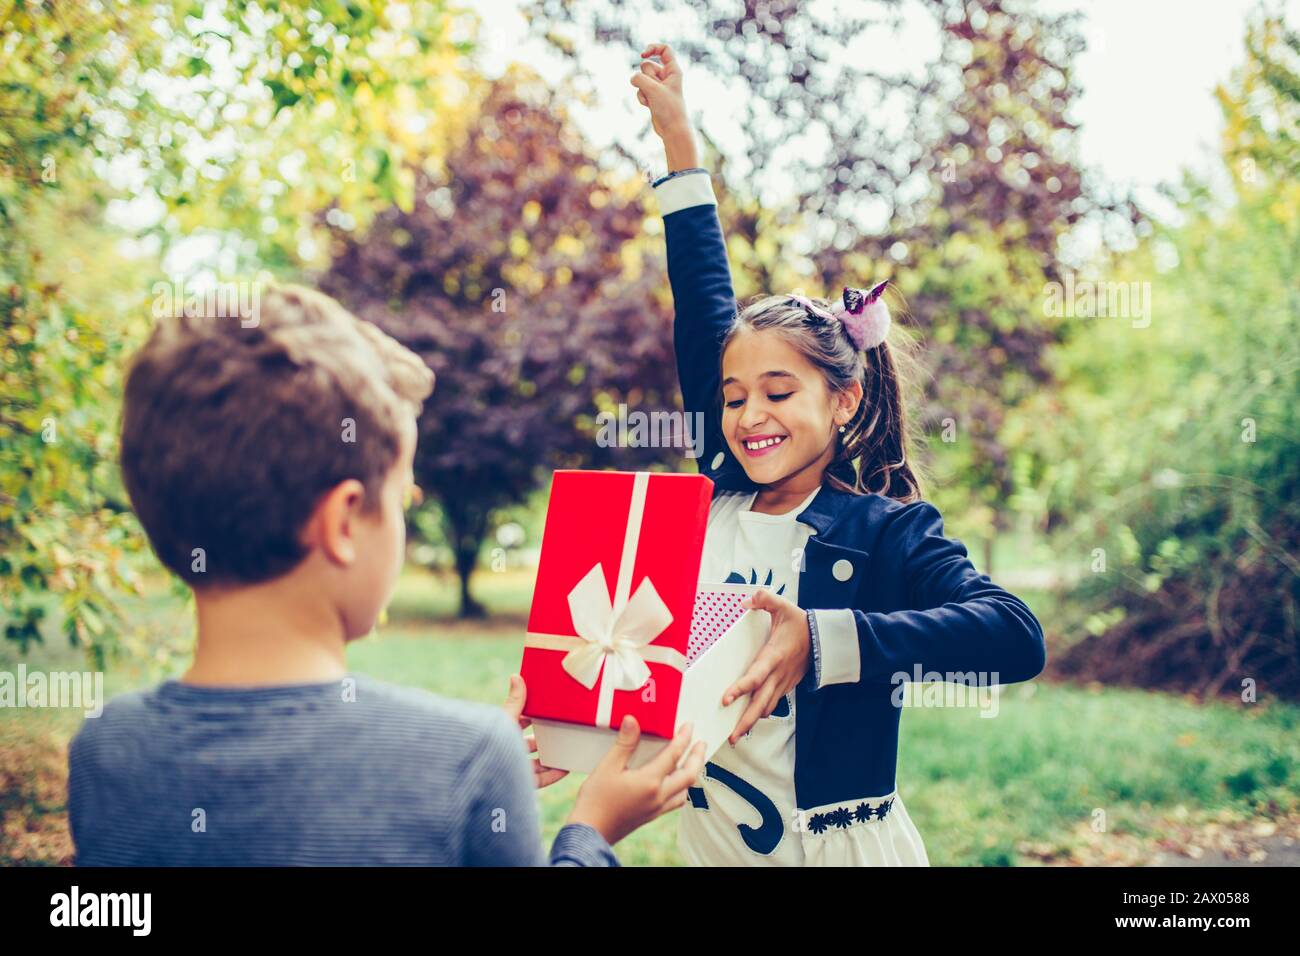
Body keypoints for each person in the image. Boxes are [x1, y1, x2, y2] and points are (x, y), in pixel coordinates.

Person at [67, 284, 704, 866]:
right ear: (344, 521)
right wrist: (590, 831)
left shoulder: (106, 748)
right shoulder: (472, 760)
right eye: (403, 497)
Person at [631, 43, 1046, 865]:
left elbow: (1014, 635)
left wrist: (827, 640)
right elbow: (703, 297)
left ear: (843, 399)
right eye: (735, 396)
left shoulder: (887, 532)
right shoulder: (713, 499)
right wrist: (678, 139)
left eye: (779, 393)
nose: (750, 415)